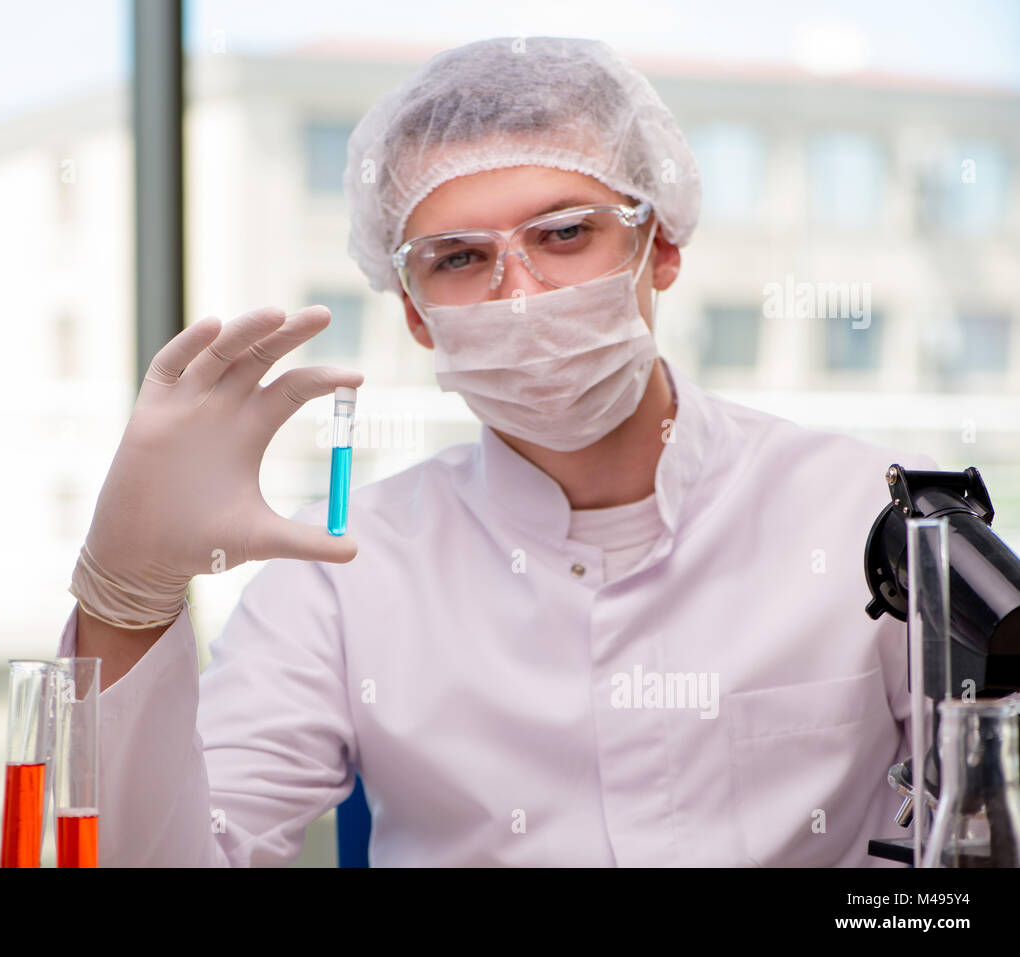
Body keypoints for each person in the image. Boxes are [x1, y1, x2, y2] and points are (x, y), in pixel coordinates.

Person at [59, 36, 935, 866]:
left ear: (658, 246)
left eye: (563, 234)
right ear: (414, 310)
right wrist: (127, 597)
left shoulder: (869, 519)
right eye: (458, 257)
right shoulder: (342, 570)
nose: (519, 294)